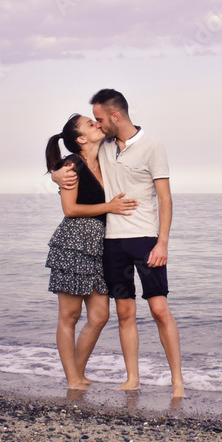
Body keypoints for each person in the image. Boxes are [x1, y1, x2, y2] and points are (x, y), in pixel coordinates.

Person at [52, 90, 185, 398]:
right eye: (92, 122)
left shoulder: (152, 146)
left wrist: (162, 242)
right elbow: (73, 164)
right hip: (111, 243)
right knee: (124, 313)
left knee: (159, 310)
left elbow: (165, 198)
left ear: (114, 116)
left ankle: (178, 381)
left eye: (98, 119)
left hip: (146, 240)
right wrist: (56, 174)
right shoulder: (105, 148)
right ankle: (131, 379)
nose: (97, 125)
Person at [44, 113, 137, 389]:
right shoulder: (72, 165)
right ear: (81, 139)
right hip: (74, 243)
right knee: (69, 316)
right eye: (90, 123)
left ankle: (77, 372)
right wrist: (108, 207)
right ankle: (73, 378)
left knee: (99, 316)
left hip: (100, 244)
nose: (97, 124)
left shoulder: (105, 155)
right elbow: (70, 210)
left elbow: (123, 126)